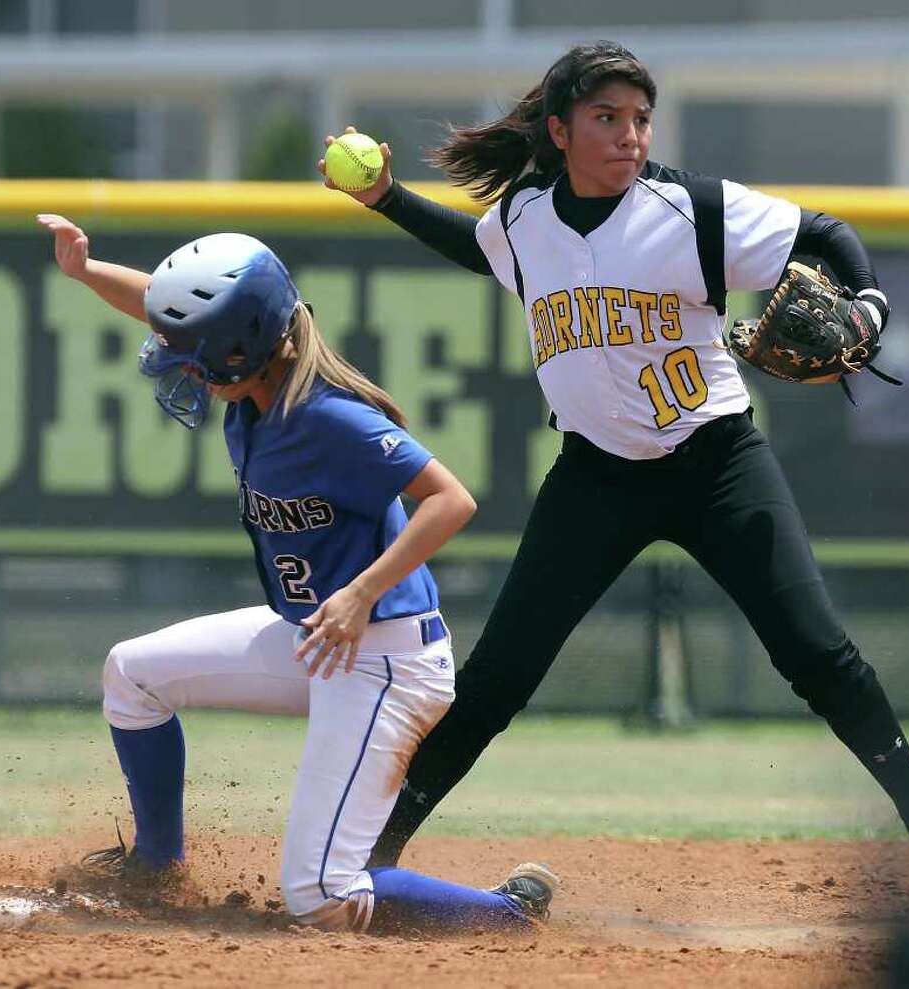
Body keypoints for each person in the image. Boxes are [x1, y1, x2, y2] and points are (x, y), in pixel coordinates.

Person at [319, 41, 909, 893]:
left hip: (718, 465)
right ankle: (369, 854)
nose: (630, 136)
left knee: (817, 651)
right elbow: (478, 246)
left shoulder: (692, 210)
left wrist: (865, 300)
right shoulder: (527, 219)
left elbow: (826, 234)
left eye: (640, 119)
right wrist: (385, 197)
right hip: (595, 478)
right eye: (607, 117)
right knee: (497, 677)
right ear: (561, 129)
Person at [36, 215, 559, 933]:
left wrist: (360, 590)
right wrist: (86, 272)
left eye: (191, 353)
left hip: (387, 659)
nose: (176, 361)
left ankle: (506, 914)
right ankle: (157, 866)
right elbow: (163, 306)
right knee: (131, 676)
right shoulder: (254, 392)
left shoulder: (326, 417)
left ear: (239, 347)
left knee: (318, 893)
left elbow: (452, 498)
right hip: (317, 637)